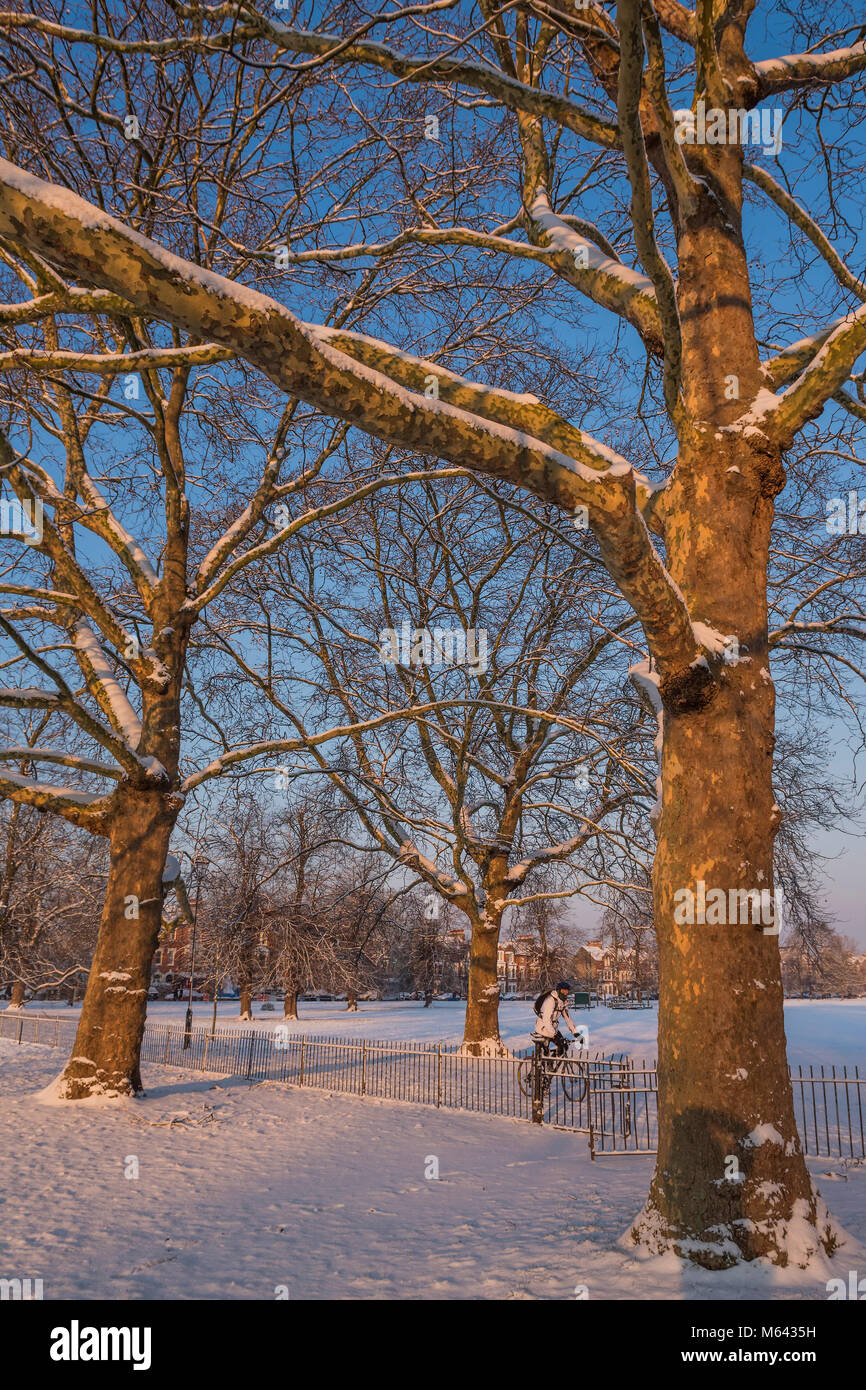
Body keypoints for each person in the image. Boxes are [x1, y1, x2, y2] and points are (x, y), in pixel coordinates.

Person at [532, 981, 578, 1057]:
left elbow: (568, 1018)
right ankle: (546, 1064)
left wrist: (576, 1033)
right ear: (558, 990)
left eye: (567, 990)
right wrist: (554, 1034)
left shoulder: (563, 1002)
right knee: (545, 1051)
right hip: (543, 1028)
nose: (566, 992)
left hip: (553, 1028)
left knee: (564, 1047)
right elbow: (546, 1020)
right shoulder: (550, 1000)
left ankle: (551, 1062)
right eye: (564, 990)